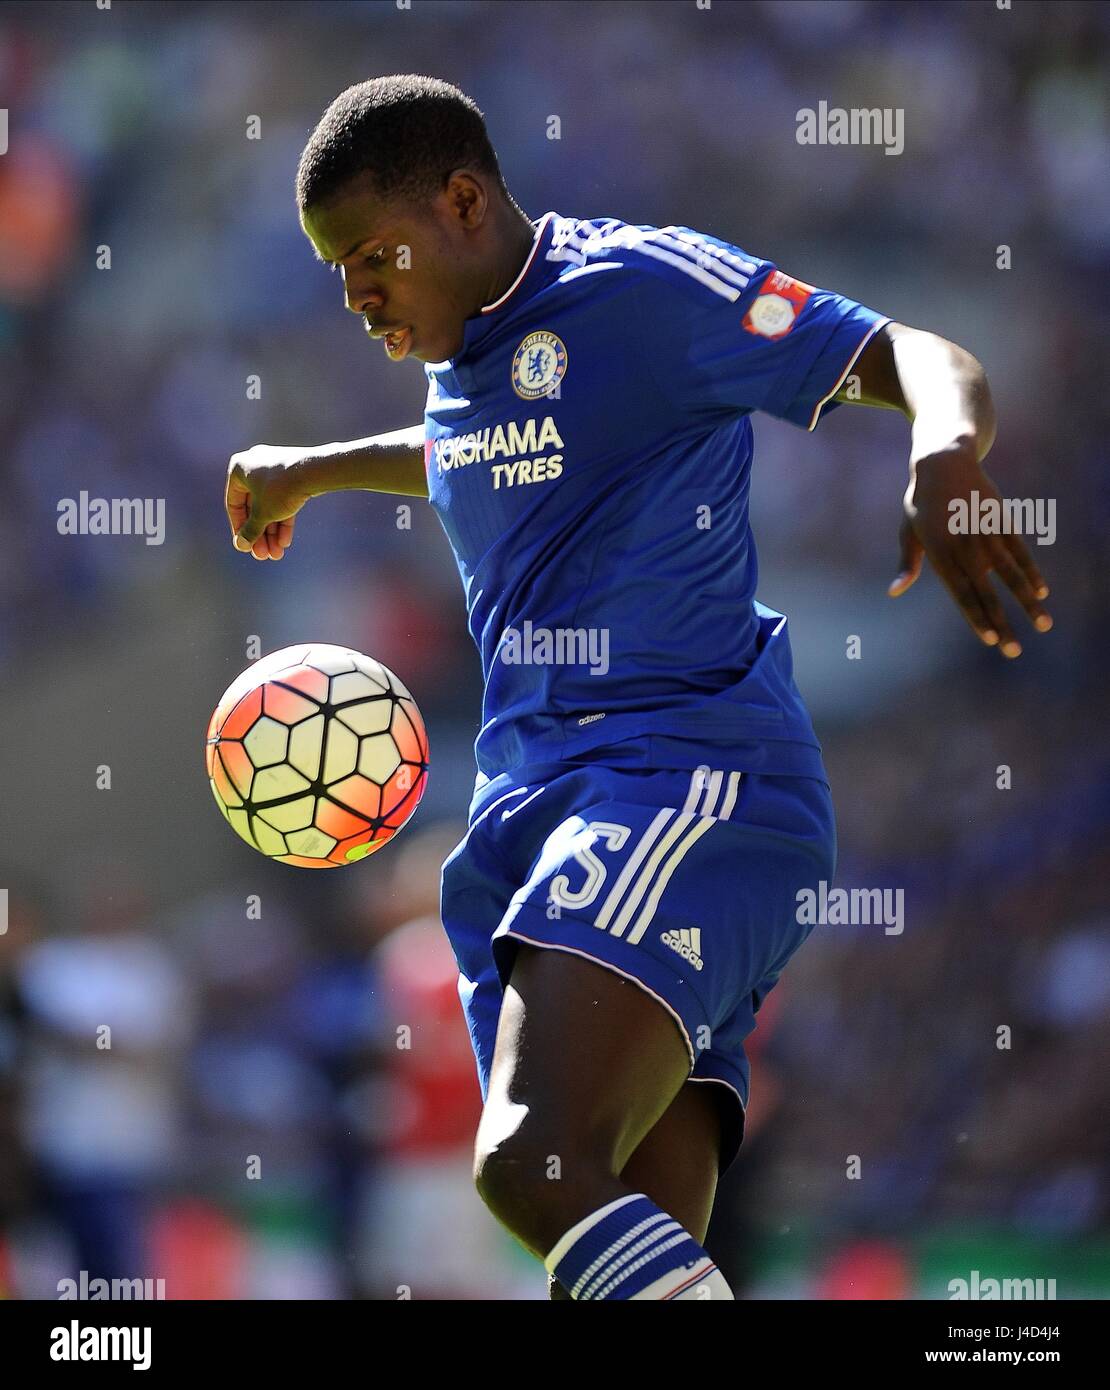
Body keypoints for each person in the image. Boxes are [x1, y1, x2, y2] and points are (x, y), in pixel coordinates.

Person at [224, 75, 1051, 1301]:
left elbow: (917, 354)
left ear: (461, 202)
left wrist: (942, 449)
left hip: (684, 782)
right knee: (613, 1259)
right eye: (336, 272)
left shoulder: (645, 289)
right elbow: (470, 453)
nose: (356, 297)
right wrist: (310, 471)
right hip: (549, 811)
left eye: (367, 257)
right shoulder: (469, 358)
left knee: (530, 1161)